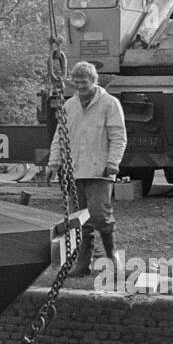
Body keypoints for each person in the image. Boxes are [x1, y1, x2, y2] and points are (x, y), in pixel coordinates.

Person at [45, 60, 127, 277]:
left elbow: (119, 136)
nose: (80, 85)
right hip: (74, 171)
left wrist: (113, 163)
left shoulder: (109, 103)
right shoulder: (68, 106)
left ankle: (112, 257)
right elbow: (59, 138)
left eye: (85, 81)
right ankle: (83, 263)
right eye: (77, 81)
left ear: (94, 81)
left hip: (100, 170)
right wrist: (53, 163)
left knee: (100, 215)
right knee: (79, 218)